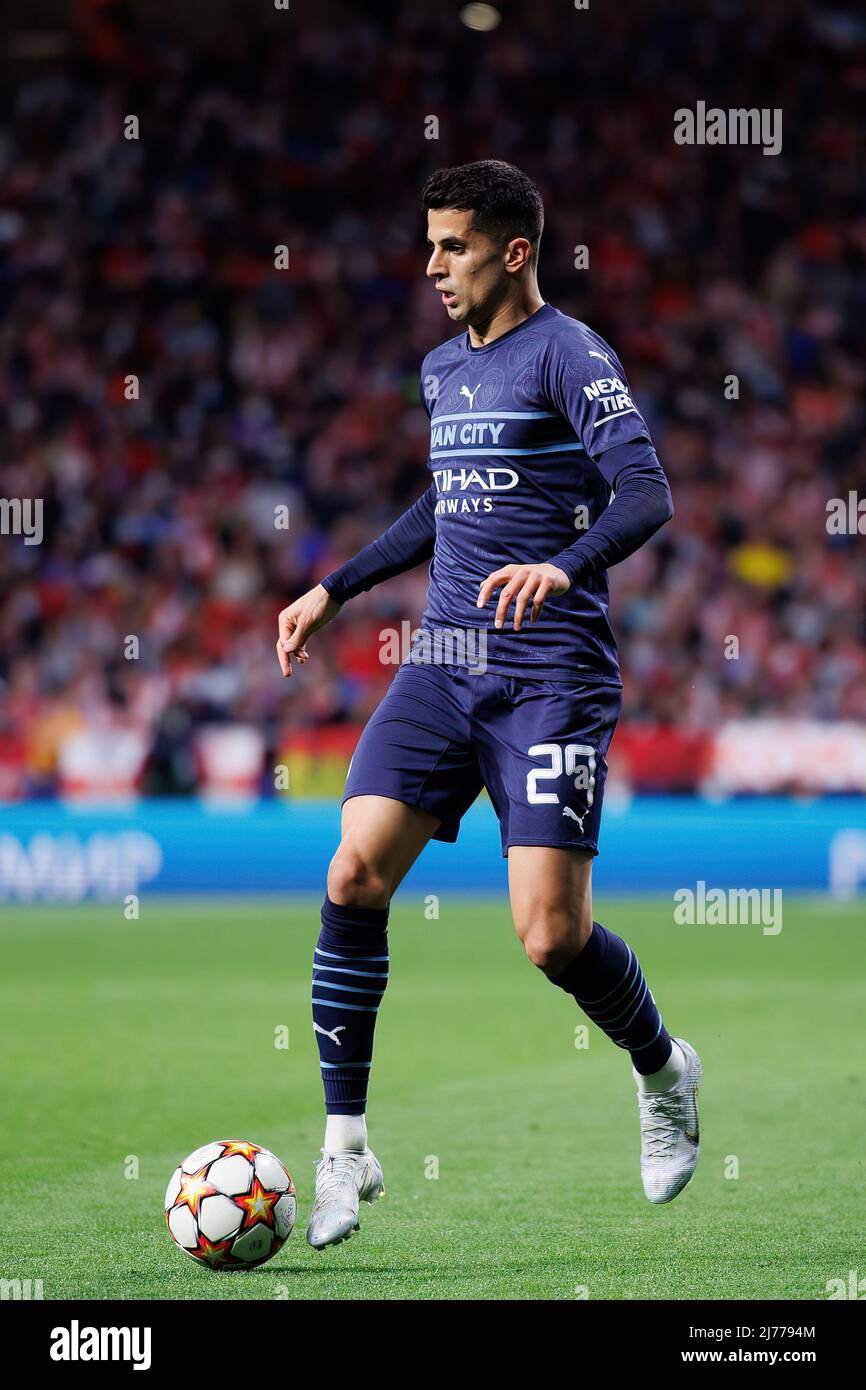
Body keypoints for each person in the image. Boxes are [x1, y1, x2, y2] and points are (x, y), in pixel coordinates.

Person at [276, 160, 700, 1250]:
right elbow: (440, 503)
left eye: (451, 246)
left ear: (514, 249)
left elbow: (646, 490)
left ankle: (660, 1069)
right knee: (351, 868)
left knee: (550, 938)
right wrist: (333, 587)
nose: (431, 267)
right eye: (428, 245)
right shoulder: (439, 369)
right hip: (443, 657)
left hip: (550, 673)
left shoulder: (569, 353)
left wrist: (564, 565)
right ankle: (343, 1144)